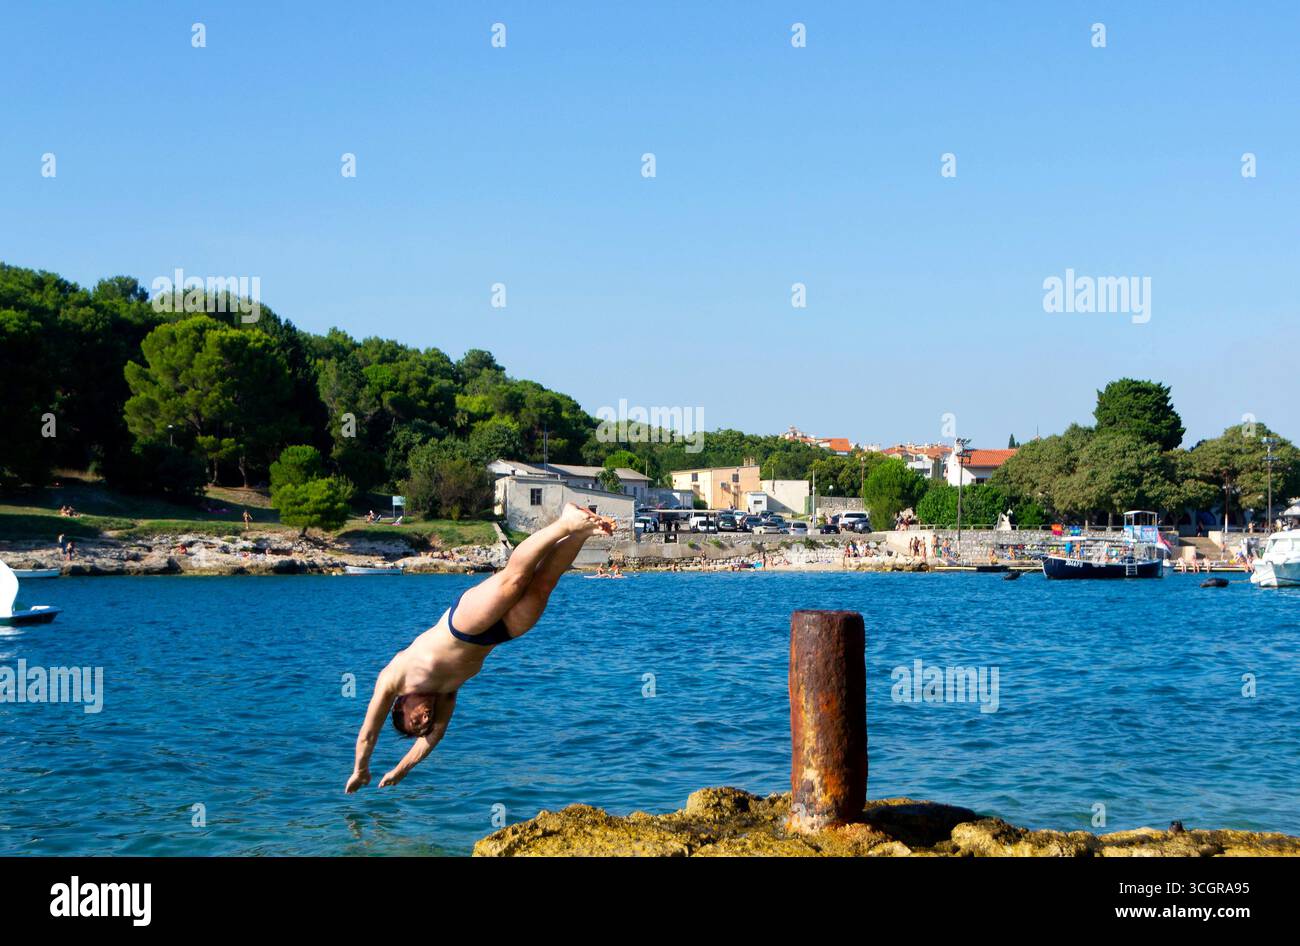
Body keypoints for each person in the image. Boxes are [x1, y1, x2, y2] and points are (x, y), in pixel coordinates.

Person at [345, 504, 613, 792]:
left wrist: (361, 769)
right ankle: (582, 532)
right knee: (543, 585)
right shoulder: (444, 696)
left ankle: (565, 522)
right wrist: (401, 769)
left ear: (400, 705)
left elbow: (368, 732)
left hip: (462, 626)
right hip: (499, 635)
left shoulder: (393, 680)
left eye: (415, 720)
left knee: (515, 579)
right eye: (424, 723)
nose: (425, 719)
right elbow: (433, 738)